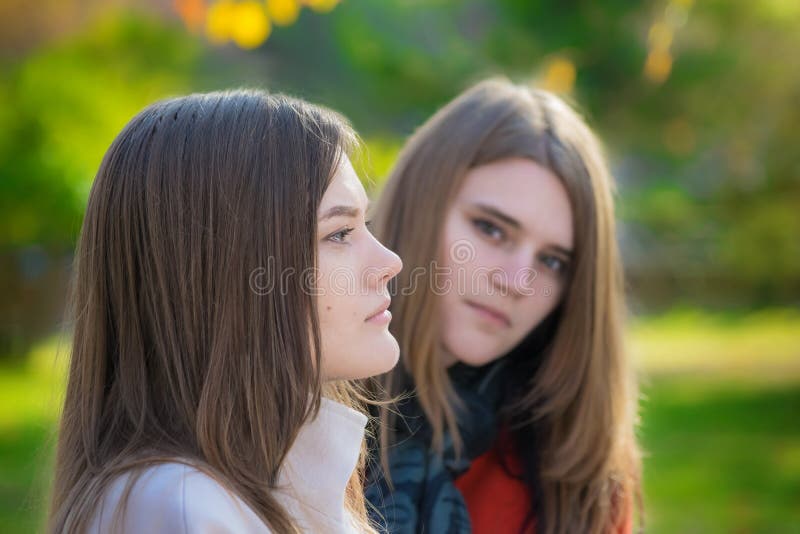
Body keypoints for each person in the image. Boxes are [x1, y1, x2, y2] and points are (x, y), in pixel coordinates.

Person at [48, 89, 403, 533]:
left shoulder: (285, 480)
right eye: (339, 233)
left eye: (362, 226)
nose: (390, 262)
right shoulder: (181, 509)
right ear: (231, 272)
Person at [365, 78, 641, 534]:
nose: (516, 282)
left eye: (552, 261)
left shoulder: (577, 466)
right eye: (491, 229)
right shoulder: (285, 404)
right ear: (420, 205)